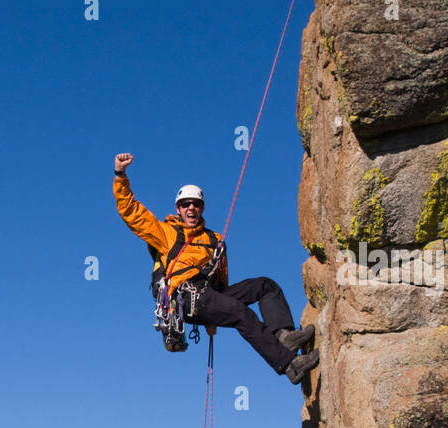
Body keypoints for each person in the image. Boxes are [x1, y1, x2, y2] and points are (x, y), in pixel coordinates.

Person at [113, 152, 318, 384]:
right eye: (186, 204)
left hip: (209, 294)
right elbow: (131, 212)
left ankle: (284, 336)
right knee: (241, 313)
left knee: (265, 286)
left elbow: (220, 279)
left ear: (202, 208)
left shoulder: (214, 240)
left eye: (196, 204)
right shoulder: (166, 233)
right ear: (178, 209)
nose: (191, 207)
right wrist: (120, 174)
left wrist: (216, 315)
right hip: (185, 296)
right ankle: (289, 365)